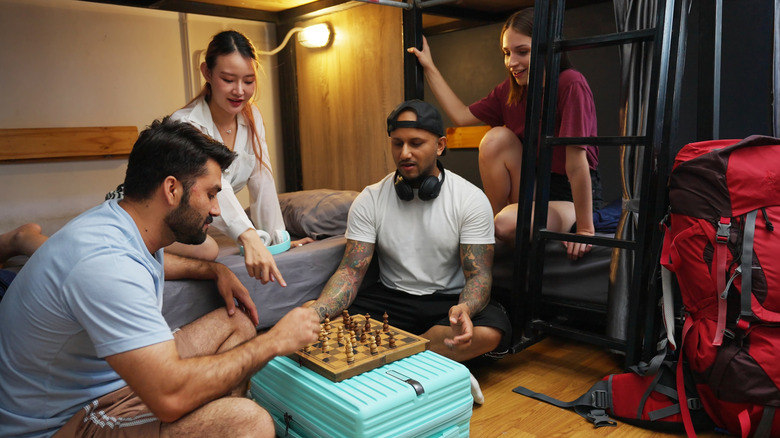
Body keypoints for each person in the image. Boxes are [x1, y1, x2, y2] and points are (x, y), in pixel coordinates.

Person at [0, 117, 320, 437]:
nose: (217, 210)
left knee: (238, 323)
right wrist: (275, 341)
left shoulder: (124, 223)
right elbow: (169, 397)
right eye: (210, 194)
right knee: (248, 422)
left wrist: (214, 269)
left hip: (113, 379)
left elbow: (141, 264)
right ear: (171, 189)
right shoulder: (105, 264)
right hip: (63, 421)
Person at [306, 100, 512, 404]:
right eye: (397, 143)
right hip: (391, 301)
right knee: (318, 319)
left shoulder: (470, 199)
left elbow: (479, 274)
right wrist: (317, 311)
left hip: (448, 303)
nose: (404, 153)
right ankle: (432, 365)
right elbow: (351, 271)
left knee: (491, 331)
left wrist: (465, 308)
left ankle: (387, 360)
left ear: (440, 145)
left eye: (416, 143)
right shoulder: (370, 199)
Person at [407, 8, 602, 261]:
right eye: (507, 53)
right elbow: (462, 116)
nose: (511, 62)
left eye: (522, 52)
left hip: (568, 194)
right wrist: (429, 66)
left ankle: (498, 225)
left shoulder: (570, 83)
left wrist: (585, 230)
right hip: (532, 184)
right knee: (495, 138)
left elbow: (577, 165)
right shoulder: (510, 92)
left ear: (547, 47)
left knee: (508, 224)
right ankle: (493, 226)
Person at [170, 30, 312, 284]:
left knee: (210, 245)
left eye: (248, 81)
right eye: (228, 79)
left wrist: (277, 239)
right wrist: (248, 235)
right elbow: (213, 188)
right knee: (208, 249)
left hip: (195, 222)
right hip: (168, 216)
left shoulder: (252, 117)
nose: (239, 91)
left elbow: (262, 179)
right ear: (207, 73)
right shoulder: (185, 124)